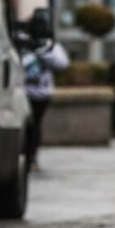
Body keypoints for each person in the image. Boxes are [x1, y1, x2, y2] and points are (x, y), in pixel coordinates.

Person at [20, 27, 69, 172]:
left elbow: (62, 63)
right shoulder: (23, 43)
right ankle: (25, 155)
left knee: (35, 125)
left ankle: (31, 156)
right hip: (24, 93)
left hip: (41, 94)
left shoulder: (49, 46)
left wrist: (43, 52)